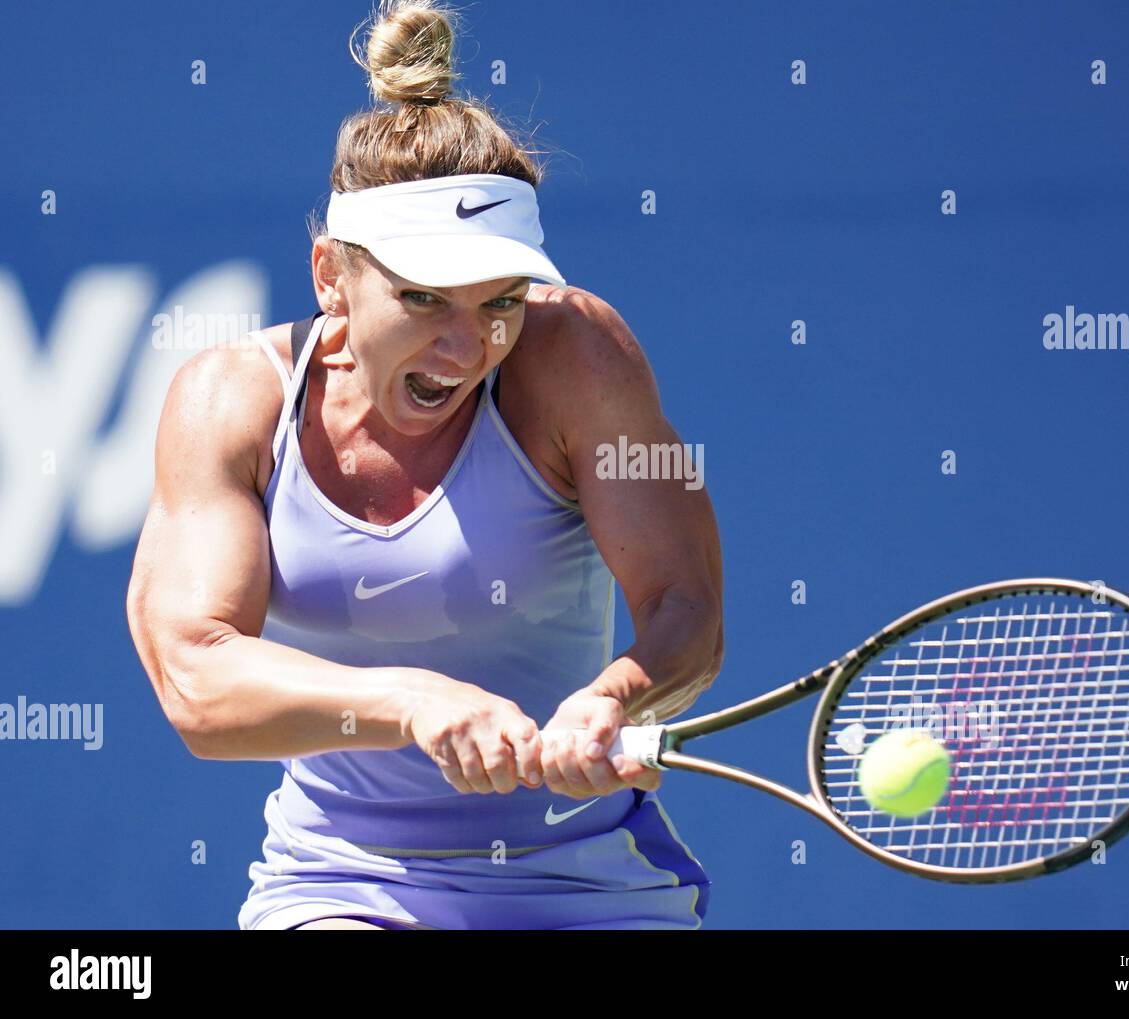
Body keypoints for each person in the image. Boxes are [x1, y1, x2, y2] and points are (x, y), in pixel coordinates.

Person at [125, 0, 723, 930]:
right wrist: (411, 700)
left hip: (589, 880)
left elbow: (686, 609)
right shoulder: (228, 400)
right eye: (423, 297)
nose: (468, 342)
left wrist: (611, 698)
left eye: (500, 300)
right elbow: (195, 682)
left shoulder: (577, 357)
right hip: (338, 884)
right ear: (331, 275)